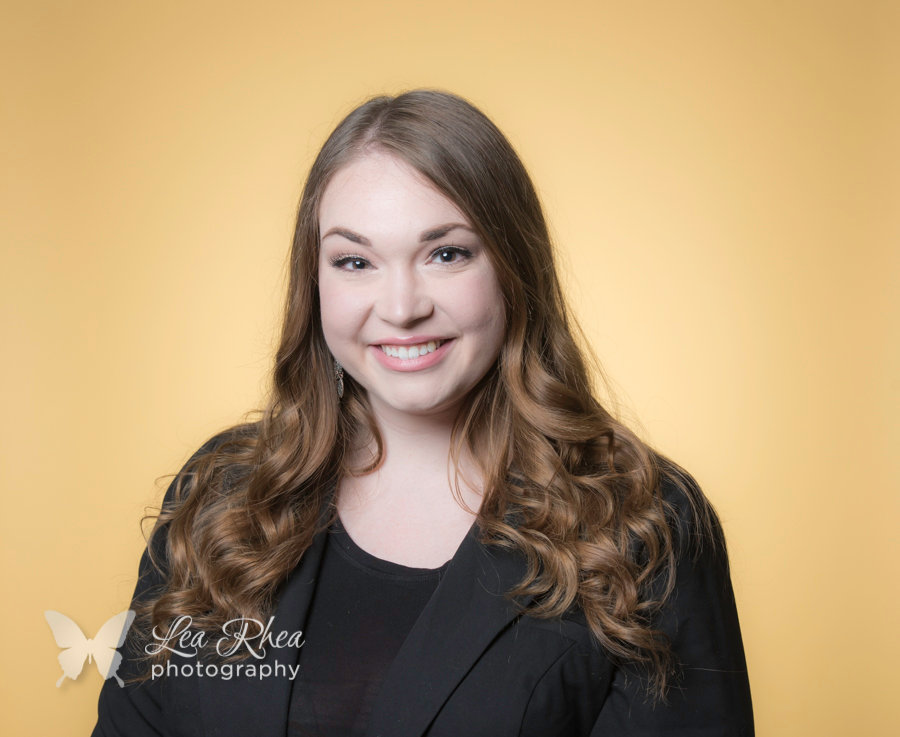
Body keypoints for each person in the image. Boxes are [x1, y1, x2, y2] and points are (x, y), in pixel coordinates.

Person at [93, 89, 754, 736]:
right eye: (355, 260)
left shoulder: (642, 523)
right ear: (315, 282)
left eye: (446, 253)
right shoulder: (222, 494)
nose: (402, 304)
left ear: (512, 268)